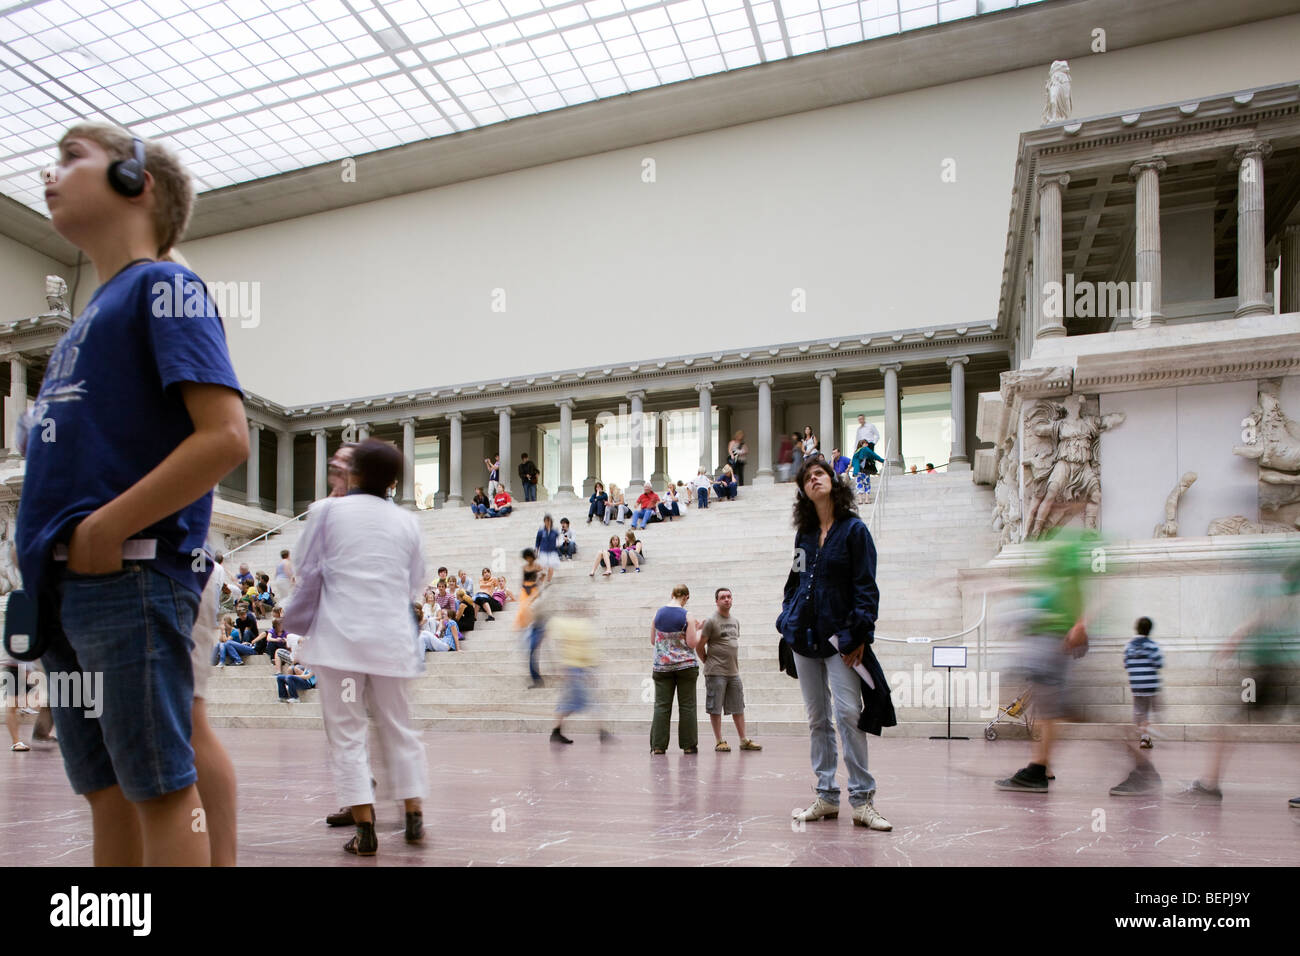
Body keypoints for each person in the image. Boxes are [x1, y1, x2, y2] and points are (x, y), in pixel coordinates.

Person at [16, 125, 249, 866]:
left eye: (71, 159)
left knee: (155, 791)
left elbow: (224, 436)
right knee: (107, 793)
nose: (50, 174)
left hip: (128, 576)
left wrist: (106, 529)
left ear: (134, 182)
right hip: (64, 591)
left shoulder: (165, 287)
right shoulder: (89, 317)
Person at [291, 439, 428, 856]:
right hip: (392, 641)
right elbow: (415, 581)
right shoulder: (408, 522)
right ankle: (413, 817)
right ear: (394, 480)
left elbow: (303, 565)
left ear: (354, 473)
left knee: (348, 735)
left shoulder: (326, 512)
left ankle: (365, 830)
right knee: (401, 730)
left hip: (340, 641)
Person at [778, 457, 892, 831]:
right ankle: (826, 796)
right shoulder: (805, 536)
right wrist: (786, 616)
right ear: (803, 491)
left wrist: (860, 634)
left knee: (847, 715)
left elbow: (866, 588)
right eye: (807, 477)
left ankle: (862, 800)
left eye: (820, 474)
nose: (814, 479)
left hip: (841, 640)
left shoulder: (855, 530)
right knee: (817, 720)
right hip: (803, 638)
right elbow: (795, 581)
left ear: (832, 482)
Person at [994, 527, 1091, 795]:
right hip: (1048, 650)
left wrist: (1080, 625)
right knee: (1049, 711)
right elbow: (1036, 593)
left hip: (1051, 650)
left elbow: (1076, 598)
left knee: (1052, 712)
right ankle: (1042, 766)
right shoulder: (1055, 582)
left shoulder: (1066, 576)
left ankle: (1038, 769)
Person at [698, 587, 760, 753]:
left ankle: (743, 739)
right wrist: (707, 661)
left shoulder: (735, 621)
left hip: (733, 672)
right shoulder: (711, 621)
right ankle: (719, 740)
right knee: (715, 707)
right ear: (717, 601)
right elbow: (699, 645)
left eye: (729, 597)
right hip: (715, 672)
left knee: (738, 706)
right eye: (723, 597)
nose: (726, 599)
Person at [1109, 616, 1163, 797]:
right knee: (1148, 709)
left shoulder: (1129, 646)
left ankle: (1141, 732)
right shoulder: (1153, 646)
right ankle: (1145, 735)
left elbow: (1126, 663)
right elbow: (1159, 663)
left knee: (1138, 710)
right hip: (1150, 683)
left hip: (1136, 683)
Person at [650, 585, 702, 754]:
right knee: (687, 706)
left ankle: (658, 746)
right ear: (686, 597)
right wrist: (699, 630)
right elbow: (692, 643)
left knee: (661, 706)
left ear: (671, 594)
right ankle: (688, 745)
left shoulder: (657, 614)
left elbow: (653, 641)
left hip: (662, 667)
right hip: (685, 666)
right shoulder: (687, 615)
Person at [519, 549, 546, 687]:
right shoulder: (525, 568)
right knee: (531, 650)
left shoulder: (537, 567)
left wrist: (539, 579)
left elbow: (543, 576)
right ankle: (536, 678)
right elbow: (523, 583)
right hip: (528, 596)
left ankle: (537, 678)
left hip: (538, 616)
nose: (528, 560)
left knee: (532, 649)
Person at [535, 514, 560, 583]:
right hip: (543, 550)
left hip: (552, 551)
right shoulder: (541, 531)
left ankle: (548, 580)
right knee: (543, 566)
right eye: (546, 521)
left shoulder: (555, 531)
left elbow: (558, 540)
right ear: (544, 521)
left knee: (551, 566)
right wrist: (536, 551)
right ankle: (541, 577)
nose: (548, 522)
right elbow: (537, 542)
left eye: (549, 521)